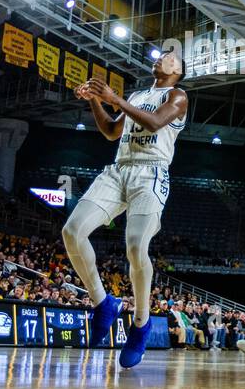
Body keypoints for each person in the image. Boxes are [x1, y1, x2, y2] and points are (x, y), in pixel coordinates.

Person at [61, 51, 188, 369]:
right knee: (72, 231)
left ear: (179, 70)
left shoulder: (178, 95)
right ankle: (103, 302)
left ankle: (141, 322)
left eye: (169, 57)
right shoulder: (137, 95)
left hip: (151, 171)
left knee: (135, 245)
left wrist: (114, 98)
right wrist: (95, 100)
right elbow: (110, 131)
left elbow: (156, 122)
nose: (162, 58)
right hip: (119, 169)